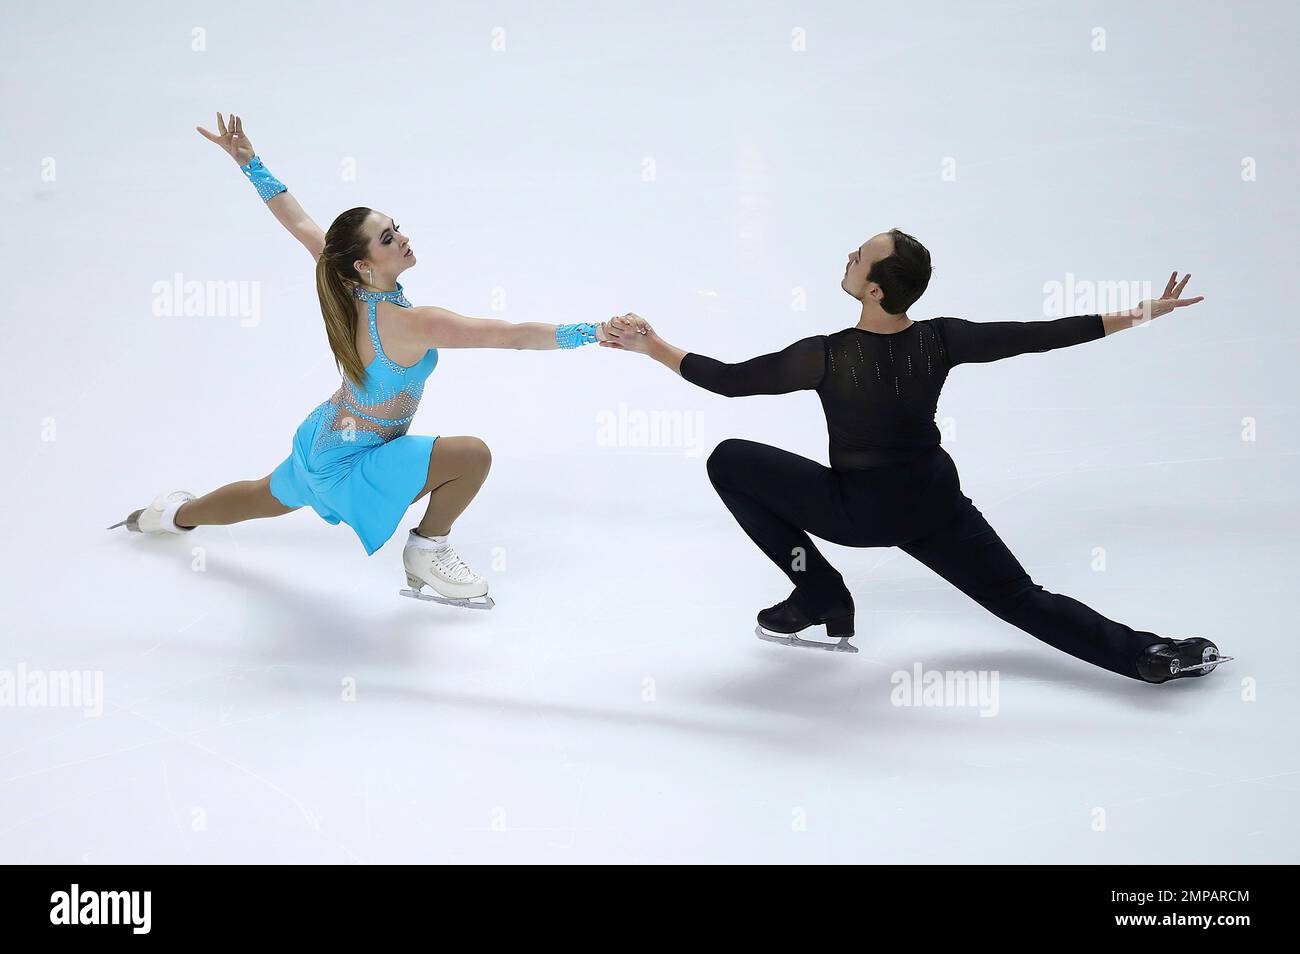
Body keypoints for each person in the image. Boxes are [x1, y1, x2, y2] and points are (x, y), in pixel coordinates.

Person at [602, 229, 1228, 683]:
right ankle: (1146, 655)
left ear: (873, 289)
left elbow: (730, 381)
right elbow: (1043, 336)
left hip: (863, 514)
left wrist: (651, 345)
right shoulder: (942, 339)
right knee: (1021, 598)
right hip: (934, 502)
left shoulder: (826, 353)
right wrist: (1142, 312)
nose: (848, 253)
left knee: (729, 459)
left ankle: (818, 589)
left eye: (860, 255)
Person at [109, 113, 614, 610]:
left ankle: (169, 514)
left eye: (397, 229)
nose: (403, 239)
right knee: (471, 456)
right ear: (365, 262)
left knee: (261, 497)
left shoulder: (345, 287)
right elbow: (511, 338)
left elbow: (300, 222)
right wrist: (594, 332)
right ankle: (426, 549)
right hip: (353, 458)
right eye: (388, 238)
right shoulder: (414, 323)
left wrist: (250, 162)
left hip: (324, 439)